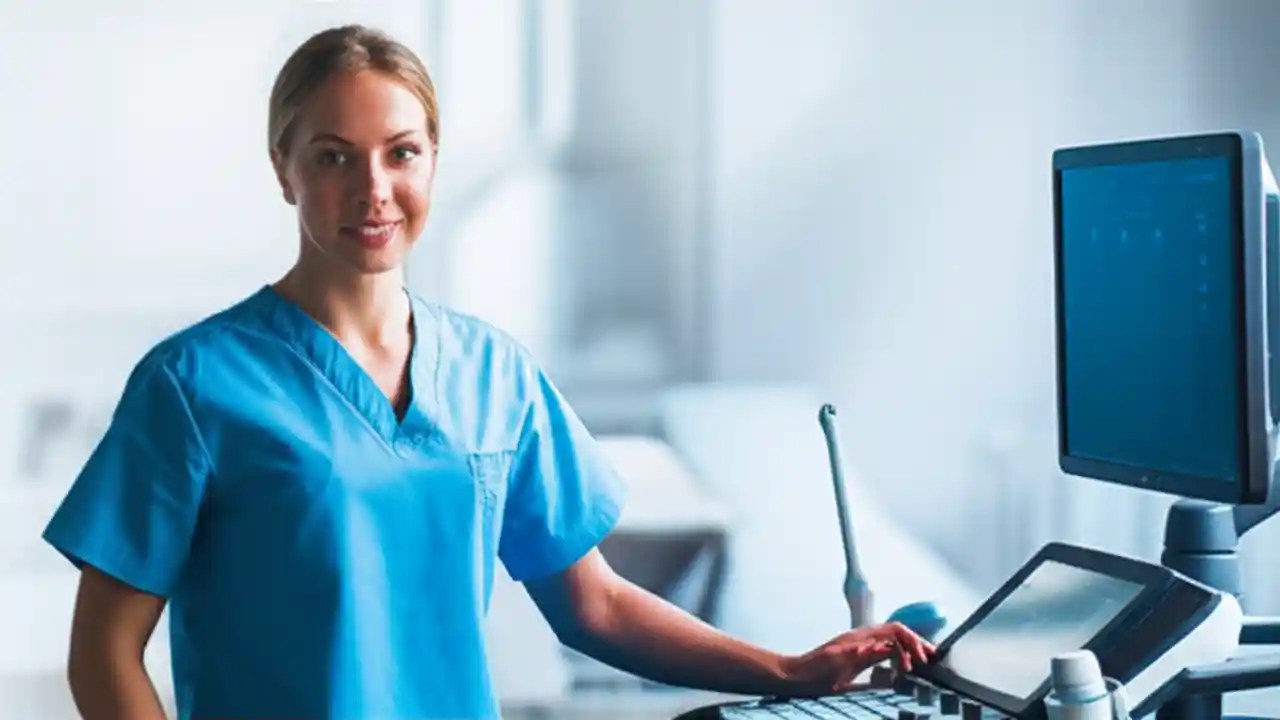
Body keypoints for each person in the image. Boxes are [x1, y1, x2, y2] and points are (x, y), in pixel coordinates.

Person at [42, 24, 934, 720]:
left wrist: (786, 671)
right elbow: (104, 656)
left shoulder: (493, 373)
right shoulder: (194, 386)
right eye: (332, 157)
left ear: (432, 159)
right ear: (284, 169)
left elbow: (597, 607)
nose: (373, 190)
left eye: (401, 152)